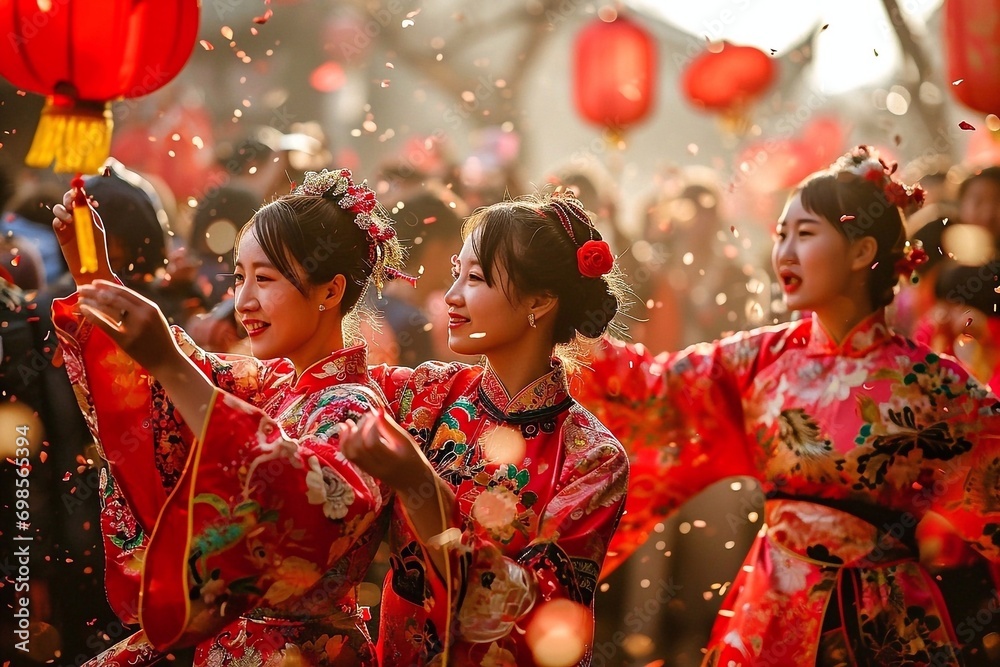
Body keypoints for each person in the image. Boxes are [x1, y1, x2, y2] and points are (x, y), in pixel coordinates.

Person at [574, 146, 1000, 665]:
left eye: (805, 234)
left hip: (887, 620)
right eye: (780, 235)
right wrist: (575, 313)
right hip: (773, 610)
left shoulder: (933, 384)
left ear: (863, 250)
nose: (784, 253)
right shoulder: (759, 358)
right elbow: (652, 389)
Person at [51, 168, 408, 665]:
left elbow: (300, 507)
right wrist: (96, 278)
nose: (243, 301)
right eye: (239, 277)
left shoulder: (355, 408)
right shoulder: (273, 385)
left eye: (264, 279)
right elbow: (182, 387)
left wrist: (171, 365)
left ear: (330, 291)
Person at [342, 192, 630, 665]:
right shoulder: (430, 394)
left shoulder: (591, 458)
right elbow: (326, 384)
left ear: (540, 300)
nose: (451, 296)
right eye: (456, 272)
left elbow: (540, 614)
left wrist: (422, 489)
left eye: (474, 278)